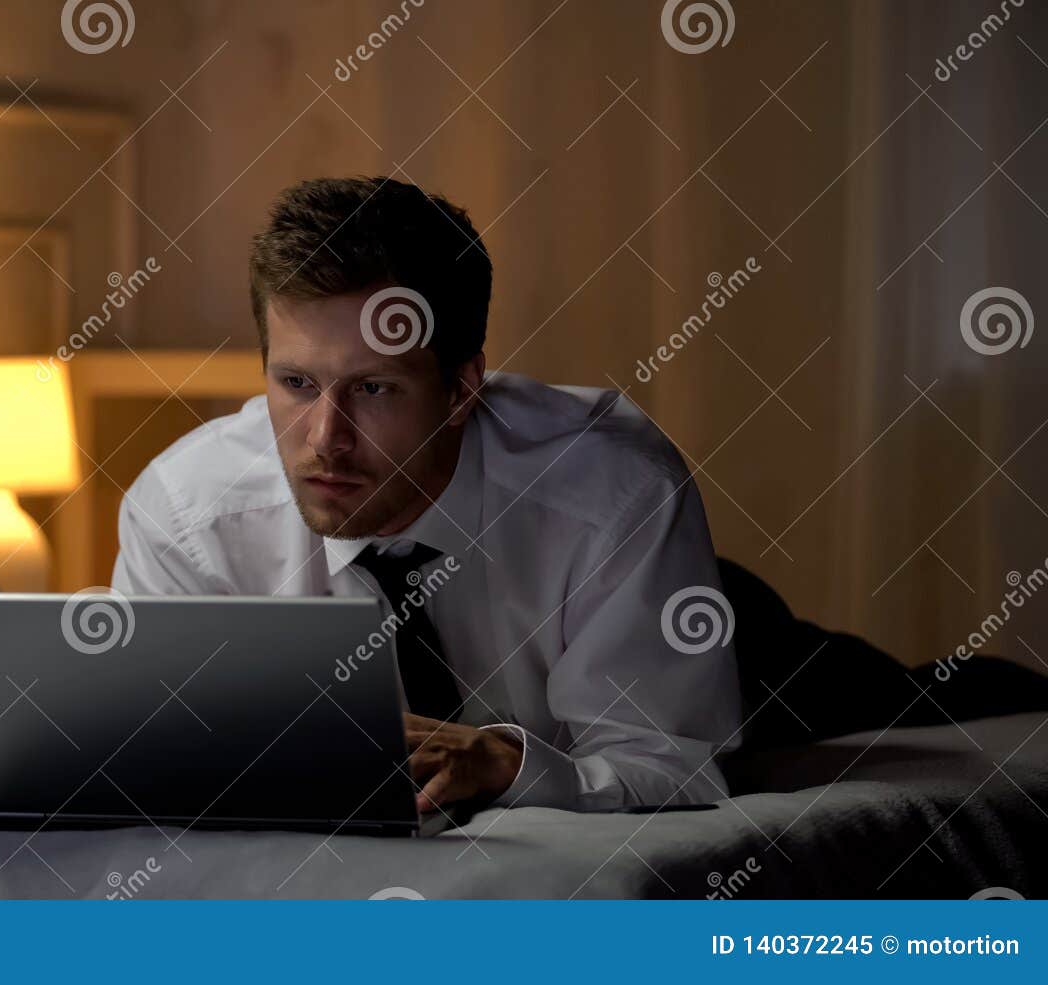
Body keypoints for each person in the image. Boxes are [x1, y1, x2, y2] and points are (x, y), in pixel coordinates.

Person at [112, 176, 742, 814]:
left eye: (375, 389)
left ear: (463, 389)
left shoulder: (617, 496)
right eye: (298, 382)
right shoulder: (187, 512)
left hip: (684, 610)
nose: (326, 439)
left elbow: (673, 770)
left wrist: (506, 765)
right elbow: (153, 764)